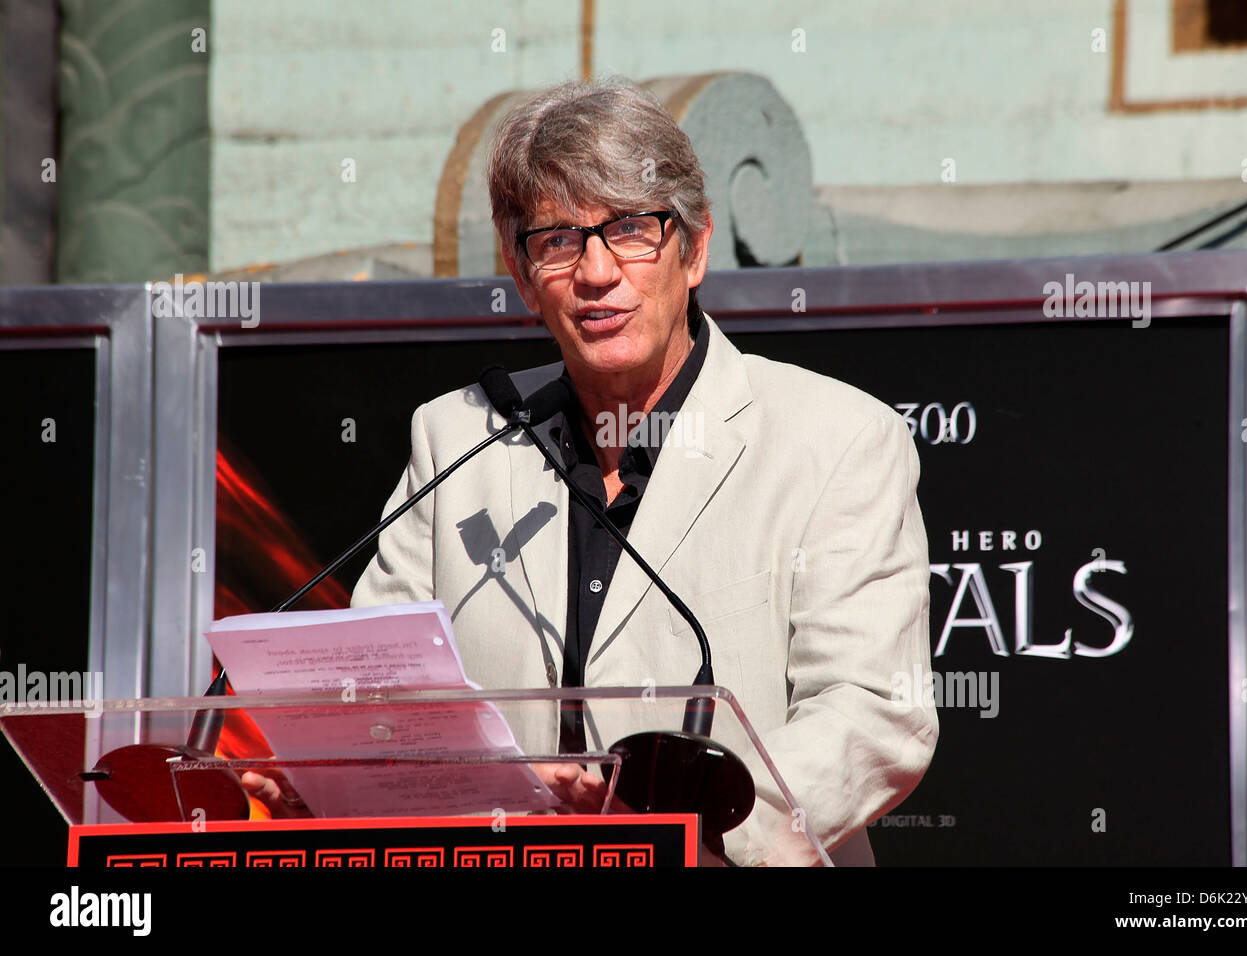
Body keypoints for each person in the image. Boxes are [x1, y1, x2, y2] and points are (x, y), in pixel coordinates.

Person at [252, 79, 938, 865]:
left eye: (631, 230)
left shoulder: (836, 439)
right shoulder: (458, 437)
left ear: (695, 249)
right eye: (558, 240)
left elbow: (876, 713)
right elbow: (387, 699)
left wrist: (676, 826)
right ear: (522, 277)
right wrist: (337, 775)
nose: (597, 271)